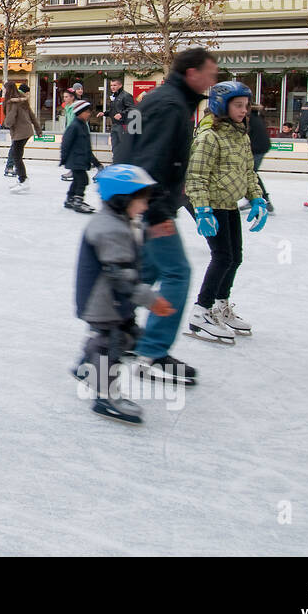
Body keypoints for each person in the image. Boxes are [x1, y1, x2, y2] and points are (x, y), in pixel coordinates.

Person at [116, 47, 219, 387]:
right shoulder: (171, 105)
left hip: (147, 203)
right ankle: (153, 353)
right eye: (210, 72)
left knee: (149, 270)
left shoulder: (170, 100)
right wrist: (158, 210)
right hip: (151, 206)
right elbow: (150, 158)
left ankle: (118, 329)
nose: (213, 79)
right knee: (177, 272)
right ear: (192, 73)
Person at [72, 165, 175, 425]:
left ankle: (86, 366)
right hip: (104, 301)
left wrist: (152, 232)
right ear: (122, 199)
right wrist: (153, 301)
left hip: (111, 300)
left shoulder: (118, 221)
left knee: (125, 336)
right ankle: (106, 397)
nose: (144, 207)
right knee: (112, 345)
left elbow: (128, 245)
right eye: (141, 201)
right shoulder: (110, 229)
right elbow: (122, 277)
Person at [184, 82, 268, 344]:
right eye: (239, 105)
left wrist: (257, 198)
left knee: (235, 257)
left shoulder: (241, 134)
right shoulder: (209, 135)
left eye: (247, 105)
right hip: (213, 204)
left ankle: (221, 305)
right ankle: (201, 311)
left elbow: (248, 172)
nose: (245, 110)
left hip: (230, 204)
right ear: (222, 105)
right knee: (221, 257)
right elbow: (195, 176)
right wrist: (202, 209)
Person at [60, 100, 102, 210]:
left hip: (81, 159)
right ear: (79, 112)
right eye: (87, 112)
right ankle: (78, 200)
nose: (89, 114)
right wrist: (63, 158)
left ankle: (70, 199)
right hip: (75, 159)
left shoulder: (83, 126)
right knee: (82, 180)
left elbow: (87, 148)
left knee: (77, 180)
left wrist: (96, 163)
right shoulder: (74, 126)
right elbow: (65, 142)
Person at [3, 79, 37, 193]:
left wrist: (6, 123)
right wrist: (37, 128)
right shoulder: (22, 100)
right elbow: (31, 115)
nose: (3, 92)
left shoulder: (11, 102)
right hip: (26, 131)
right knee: (17, 155)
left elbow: (11, 117)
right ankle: (21, 179)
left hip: (20, 132)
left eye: (4, 89)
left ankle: (23, 181)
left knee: (17, 157)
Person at [245, 102, 274, 214]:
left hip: (256, 148)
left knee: (250, 174)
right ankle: (255, 198)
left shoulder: (249, 118)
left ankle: (263, 200)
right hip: (260, 147)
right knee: (250, 173)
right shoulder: (255, 116)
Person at [105, 78, 135, 163]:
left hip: (123, 125)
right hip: (114, 125)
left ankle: (126, 163)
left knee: (124, 146)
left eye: (114, 85)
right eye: (111, 85)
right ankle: (116, 163)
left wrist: (121, 114)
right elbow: (113, 111)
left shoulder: (126, 95)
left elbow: (132, 108)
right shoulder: (114, 96)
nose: (112, 87)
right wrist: (104, 113)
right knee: (115, 146)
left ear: (120, 85)